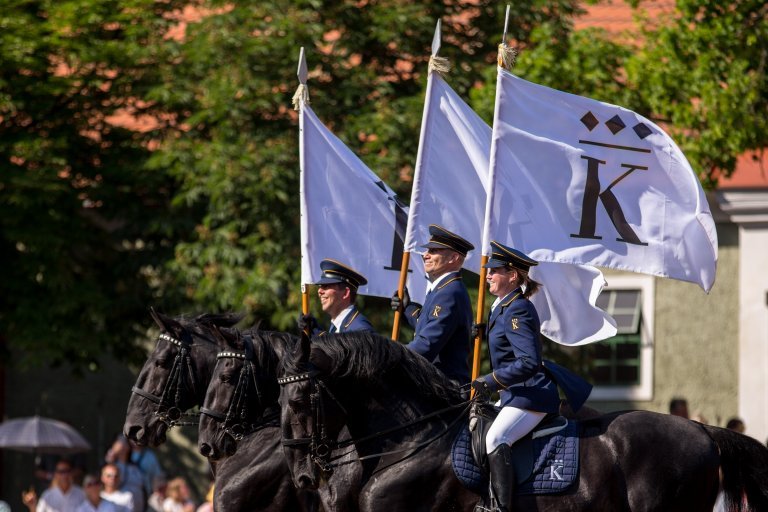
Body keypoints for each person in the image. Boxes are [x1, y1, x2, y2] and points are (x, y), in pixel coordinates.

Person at [470, 241, 592, 512]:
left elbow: (529, 362)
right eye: (489, 270)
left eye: (495, 270)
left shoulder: (518, 309)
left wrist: (489, 380)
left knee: (496, 439)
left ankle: (499, 508)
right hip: (513, 394)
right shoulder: (500, 307)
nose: (487, 274)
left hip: (530, 395)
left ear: (512, 276)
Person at [391, 224, 474, 384]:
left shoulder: (449, 292)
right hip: (435, 382)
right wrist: (407, 308)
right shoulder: (442, 289)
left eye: (433, 251)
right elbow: (428, 326)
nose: (425, 255)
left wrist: (388, 354)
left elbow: (426, 345)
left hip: (445, 386)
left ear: (453, 258)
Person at [298, 258, 375, 334]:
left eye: (326, 286)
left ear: (346, 293)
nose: (319, 291)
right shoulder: (340, 327)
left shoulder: (361, 331)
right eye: (320, 286)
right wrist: (313, 329)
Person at [105, 436, 145, 512]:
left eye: (125, 443)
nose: (123, 445)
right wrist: (114, 452)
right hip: (120, 505)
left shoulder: (134, 467)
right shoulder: (112, 466)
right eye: (119, 442)